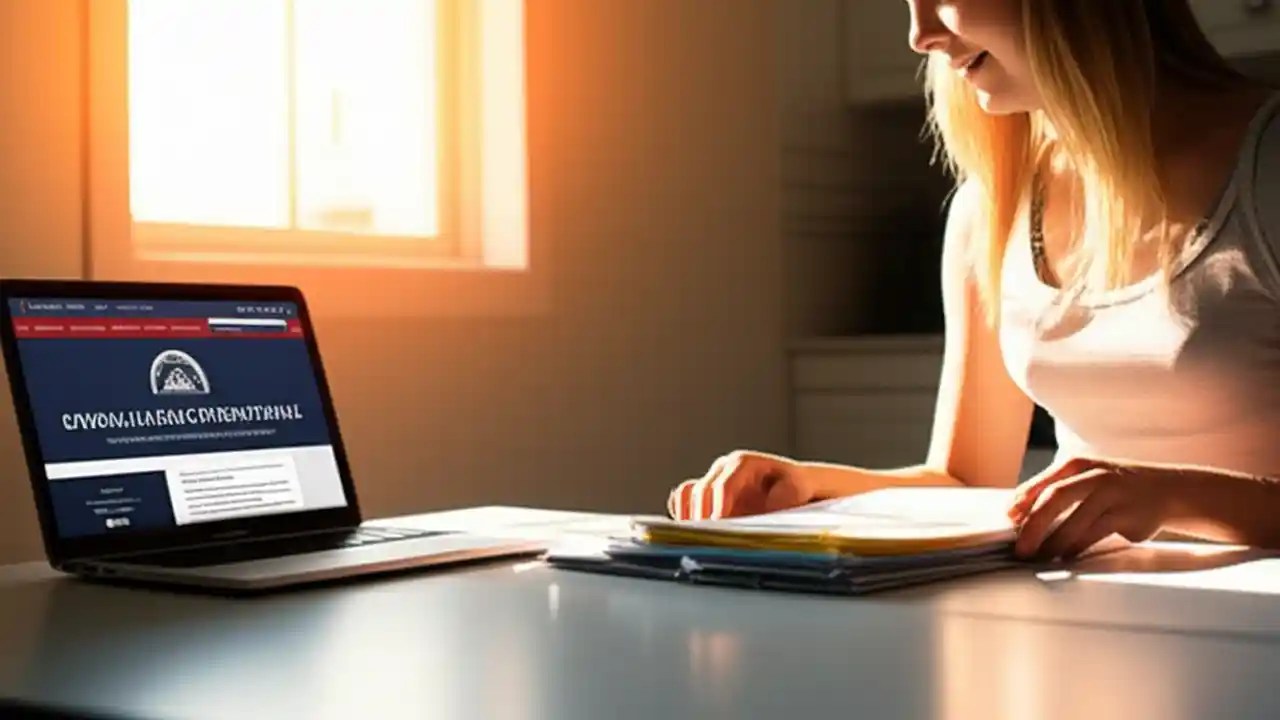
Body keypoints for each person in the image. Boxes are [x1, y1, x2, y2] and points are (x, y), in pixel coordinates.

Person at [667, 0, 1280, 560]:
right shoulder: (992, 206)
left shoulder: (1265, 168)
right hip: (1095, 625)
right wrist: (803, 484)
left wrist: (1170, 497)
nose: (920, 35)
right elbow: (965, 479)